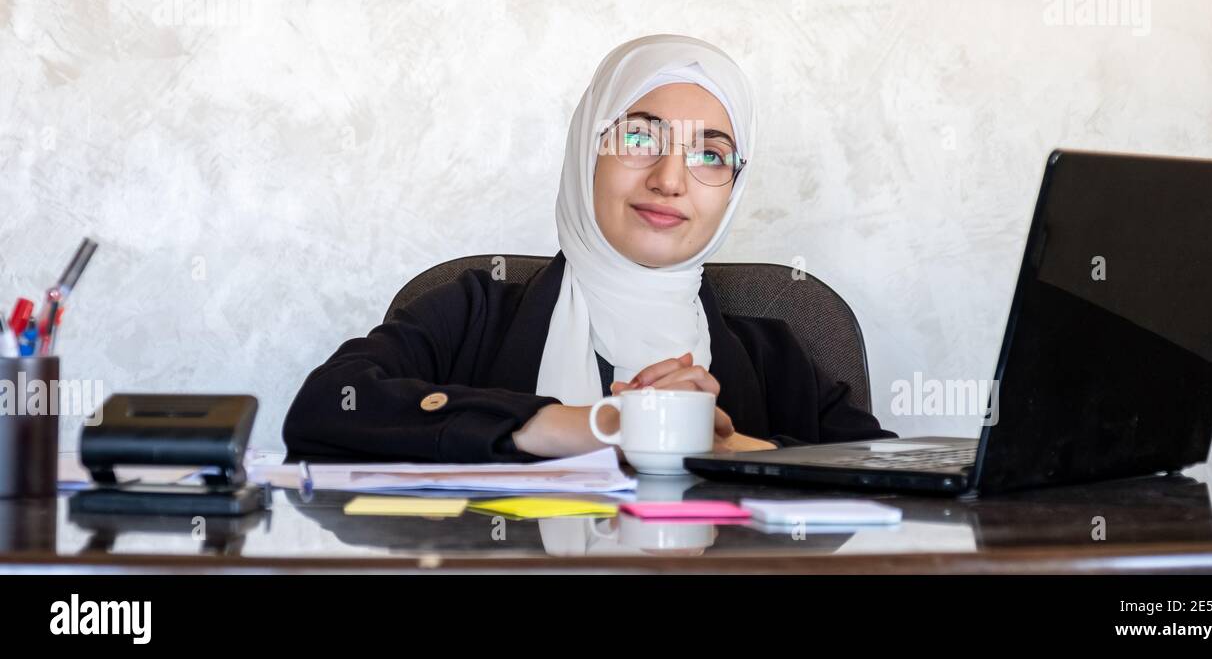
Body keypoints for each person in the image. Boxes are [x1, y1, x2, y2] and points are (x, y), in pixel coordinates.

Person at [282, 34, 895, 462]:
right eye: (638, 137)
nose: (669, 179)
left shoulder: (777, 354)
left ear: (734, 187)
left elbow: (901, 477)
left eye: (709, 154)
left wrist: (732, 449)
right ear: (585, 151)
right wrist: (590, 427)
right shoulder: (469, 314)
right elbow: (325, 409)